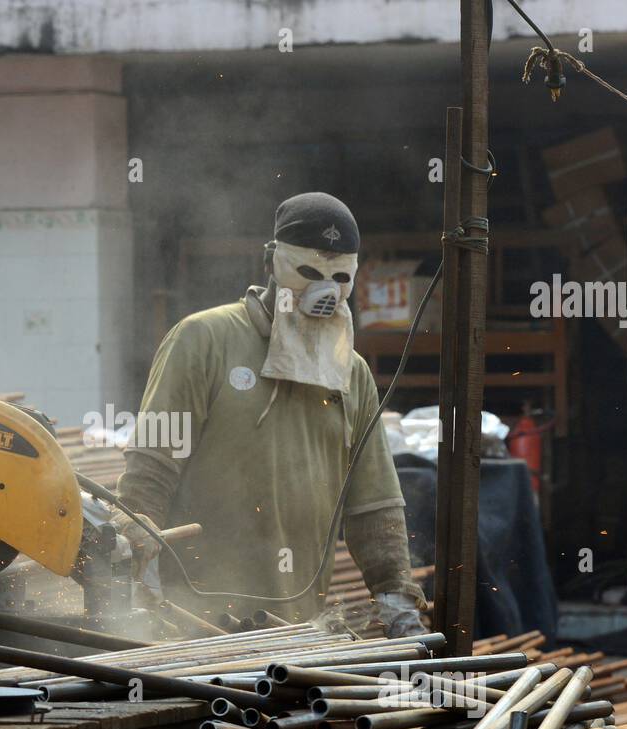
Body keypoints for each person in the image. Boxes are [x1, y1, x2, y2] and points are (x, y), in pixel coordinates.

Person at [114, 192, 428, 637]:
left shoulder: (351, 373)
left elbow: (373, 503)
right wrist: (136, 549)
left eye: (340, 277)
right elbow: (152, 466)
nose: (325, 290)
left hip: (297, 627)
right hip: (193, 620)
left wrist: (397, 600)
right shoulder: (204, 340)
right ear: (273, 264)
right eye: (309, 272)